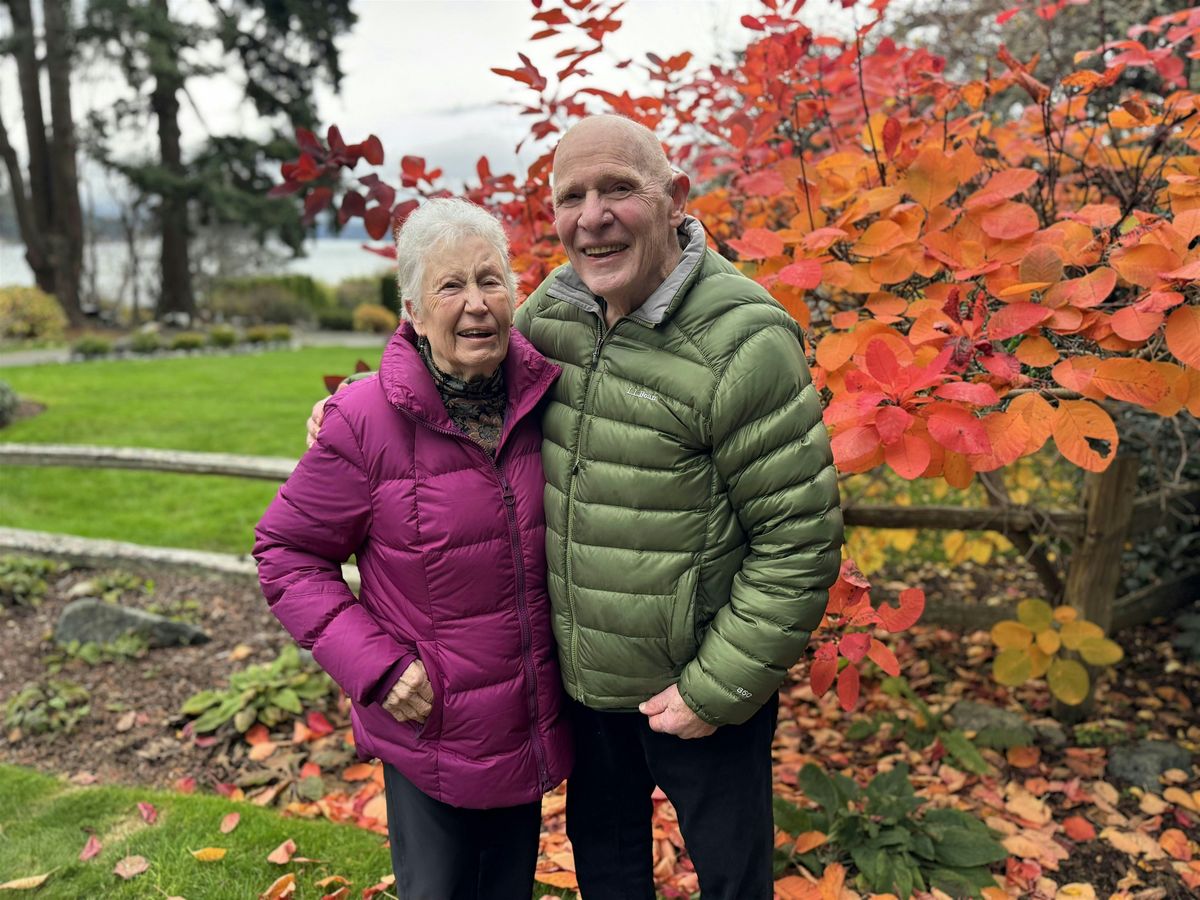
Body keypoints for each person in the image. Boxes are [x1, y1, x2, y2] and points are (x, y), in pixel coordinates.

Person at [310, 115, 843, 899]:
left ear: (675, 201)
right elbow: (454, 360)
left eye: (618, 189)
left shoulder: (745, 341)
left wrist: (713, 688)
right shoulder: (554, 317)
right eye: (572, 197)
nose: (592, 215)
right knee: (609, 874)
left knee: (733, 882)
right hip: (588, 689)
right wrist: (355, 410)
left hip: (703, 689)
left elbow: (798, 541)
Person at [255, 198, 572, 900]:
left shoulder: (548, 393)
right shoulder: (365, 420)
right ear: (412, 310)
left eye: (490, 280)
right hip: (429, 721)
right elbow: (285, 552)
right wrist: (373, 666)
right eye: (449, 286)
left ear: (516, 292)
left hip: (523, 719)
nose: (475, 304)